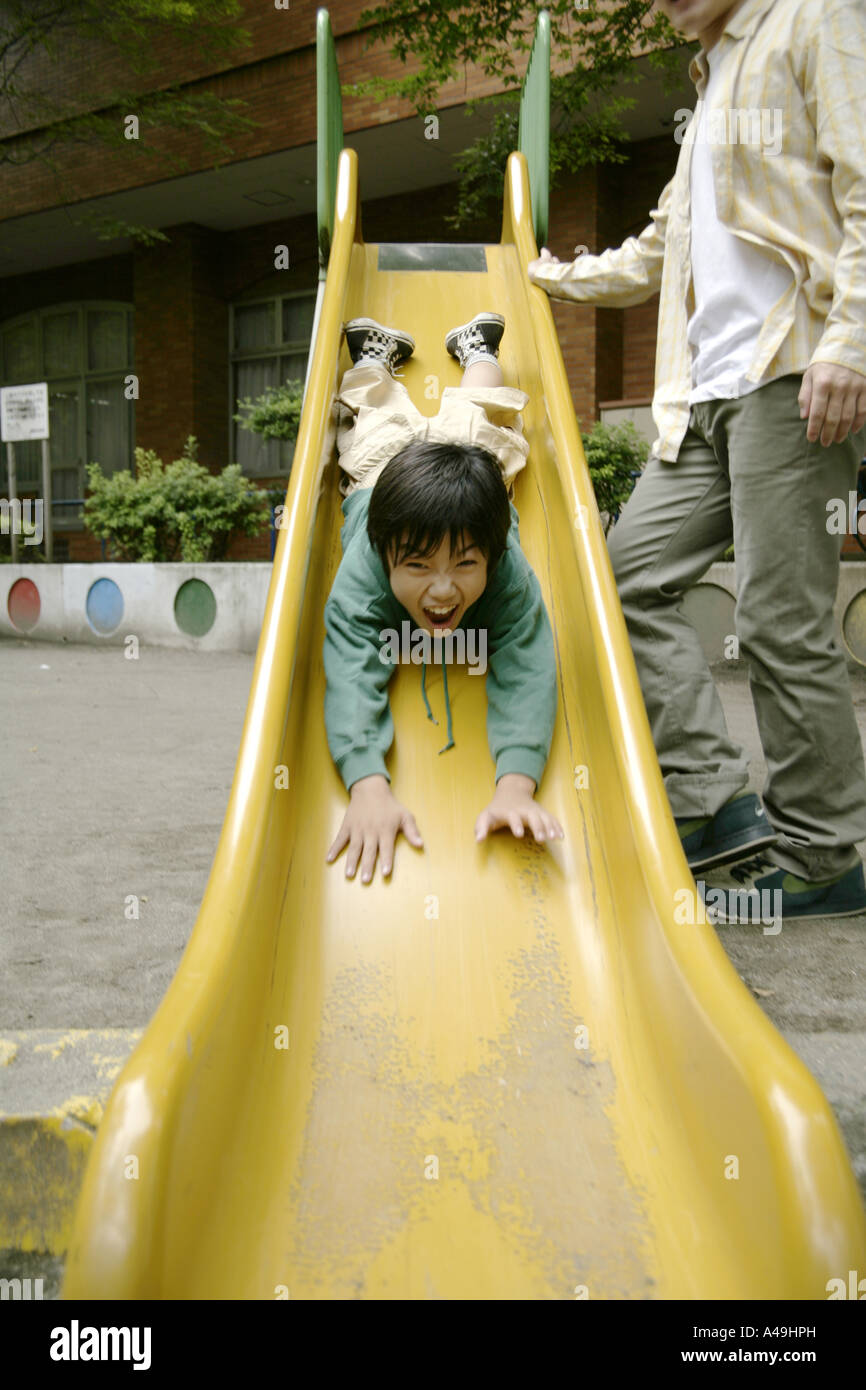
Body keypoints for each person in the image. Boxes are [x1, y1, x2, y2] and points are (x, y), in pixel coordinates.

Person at [527, 0, 866, 922]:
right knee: (626, 579)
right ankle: (718, 803)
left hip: (789, 370)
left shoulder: (814, 20)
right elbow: (656, 250)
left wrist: (850, 343)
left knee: (778, 617)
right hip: (702, 393)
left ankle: (826, 850)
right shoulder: (711, 79)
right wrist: (545, 277)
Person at [323, 312, 564, 884]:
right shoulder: (366, 569)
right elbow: (351, 663)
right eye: (417, 567)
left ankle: (478, 354)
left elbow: (528, 664)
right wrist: (367, 785)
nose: (441, 588)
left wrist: (516, 786)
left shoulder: (505, 569)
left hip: (466, 489)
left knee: (477, 425)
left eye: (464, 566)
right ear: (386, 556)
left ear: (491, 553)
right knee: (375, 426)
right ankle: (375, 362)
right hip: (385, 480)